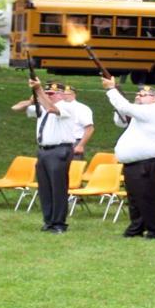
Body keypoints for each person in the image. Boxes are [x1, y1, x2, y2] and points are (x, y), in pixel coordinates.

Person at [104, 77, 155, 239]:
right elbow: (121, 121)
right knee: (135, 199)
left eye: (144, 95)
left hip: (149, 163)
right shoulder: (141, 113)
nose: (139, 96)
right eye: (138, 94)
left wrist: (112, 90)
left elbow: (125, 107)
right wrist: (118, 102)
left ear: (154, 98)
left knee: (150, 198)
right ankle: (136, 228)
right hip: (135, 163)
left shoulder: (154, 110)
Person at [28, 79, 93, 233]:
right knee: (45, 188)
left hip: (59, 150)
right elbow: (21, 107)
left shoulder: (67, 107)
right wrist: (36, 92)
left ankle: (59, 222)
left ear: (61, 95)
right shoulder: (45, 107)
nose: (49, 96)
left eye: (51, 93)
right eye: (47, 93)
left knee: (58, 188)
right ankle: (48, 220)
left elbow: (51, 108)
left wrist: (38, 90)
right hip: (44, 150)